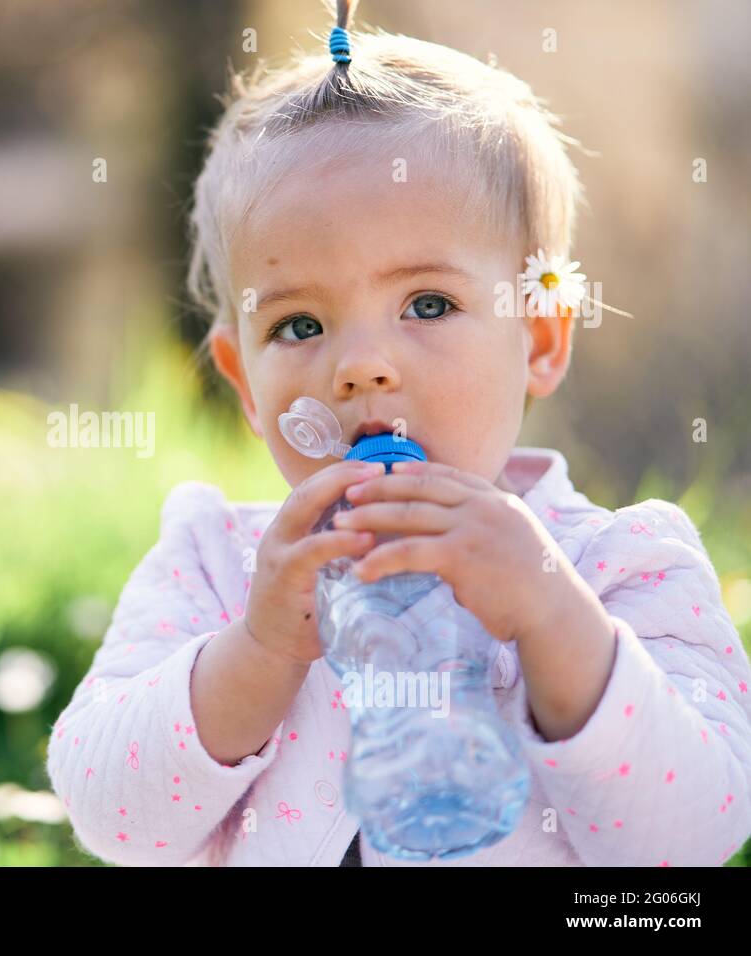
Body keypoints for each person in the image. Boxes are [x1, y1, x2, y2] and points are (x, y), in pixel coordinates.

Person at [44, 0, 751, 866]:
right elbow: (110, 817)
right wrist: (259, 650)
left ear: (539, 337)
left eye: (428, 304)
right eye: (300, 326)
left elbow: (697, 833)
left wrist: (547, 613)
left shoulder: (618, 568)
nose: (363, 367)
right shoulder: (217, 565)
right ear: (244, 384)